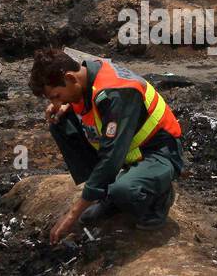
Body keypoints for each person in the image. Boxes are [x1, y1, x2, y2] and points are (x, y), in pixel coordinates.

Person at [28, 48, 183, 244]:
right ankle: (106, 193)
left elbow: (111, 157)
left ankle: (159, 199)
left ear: (70, 78)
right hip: (130, 152)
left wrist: (73, 214)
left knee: (124, 189)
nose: (57, 102)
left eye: (56, 95)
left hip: (159, 153)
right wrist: (65, 105)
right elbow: (83, 101)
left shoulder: (116, 93)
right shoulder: (85, 75)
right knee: (61, 121)